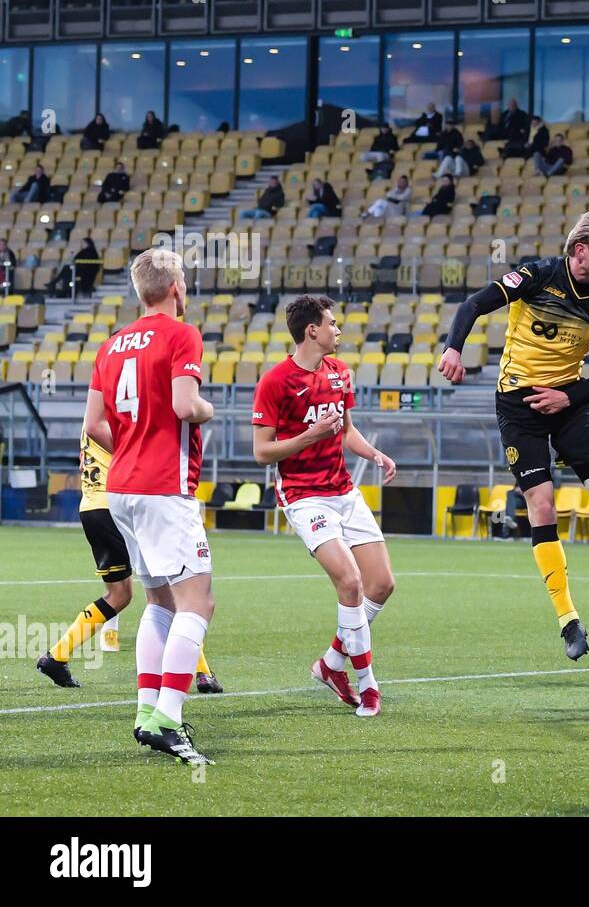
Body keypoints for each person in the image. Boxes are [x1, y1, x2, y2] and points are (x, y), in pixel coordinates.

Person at [438, 209, 589, 660]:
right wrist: (454, 348)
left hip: (570, 405)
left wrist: (568, 398)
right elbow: (474, 303)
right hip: (520, 405)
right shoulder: (537, 275)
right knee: (542, 502)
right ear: (580, 250)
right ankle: (569, 620)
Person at [82, 248, 216, 766]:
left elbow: (94, 425)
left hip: (121, 488)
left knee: (159, 603)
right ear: (177, 287)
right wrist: (209, 408)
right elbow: (186, 406)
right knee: (197, 602)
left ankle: (146, 713)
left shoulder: (110, 345)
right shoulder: (182, 334)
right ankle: (167, 719)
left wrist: (133, 447)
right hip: (164, 488)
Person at [252, 295, 397, 719]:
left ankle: (332, 664)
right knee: (350, 583)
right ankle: (368, 686)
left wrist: (374, 455)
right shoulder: (276, 381)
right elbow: (262, 452)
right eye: (333, 324)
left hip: (344, 492)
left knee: (382, 584)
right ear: (311, 330)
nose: (339, 330)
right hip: (303, 495)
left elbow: (347, 431)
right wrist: (308, 437)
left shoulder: (339, 373)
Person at [36, 430, 222, 693]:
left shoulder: (93, 416)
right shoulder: (118, 413)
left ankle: (56, 656)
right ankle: (202, 673)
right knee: (173, 589)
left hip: (91, 507)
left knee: (120, 594)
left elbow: (86, 458)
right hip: (120, 504)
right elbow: (134, 452)